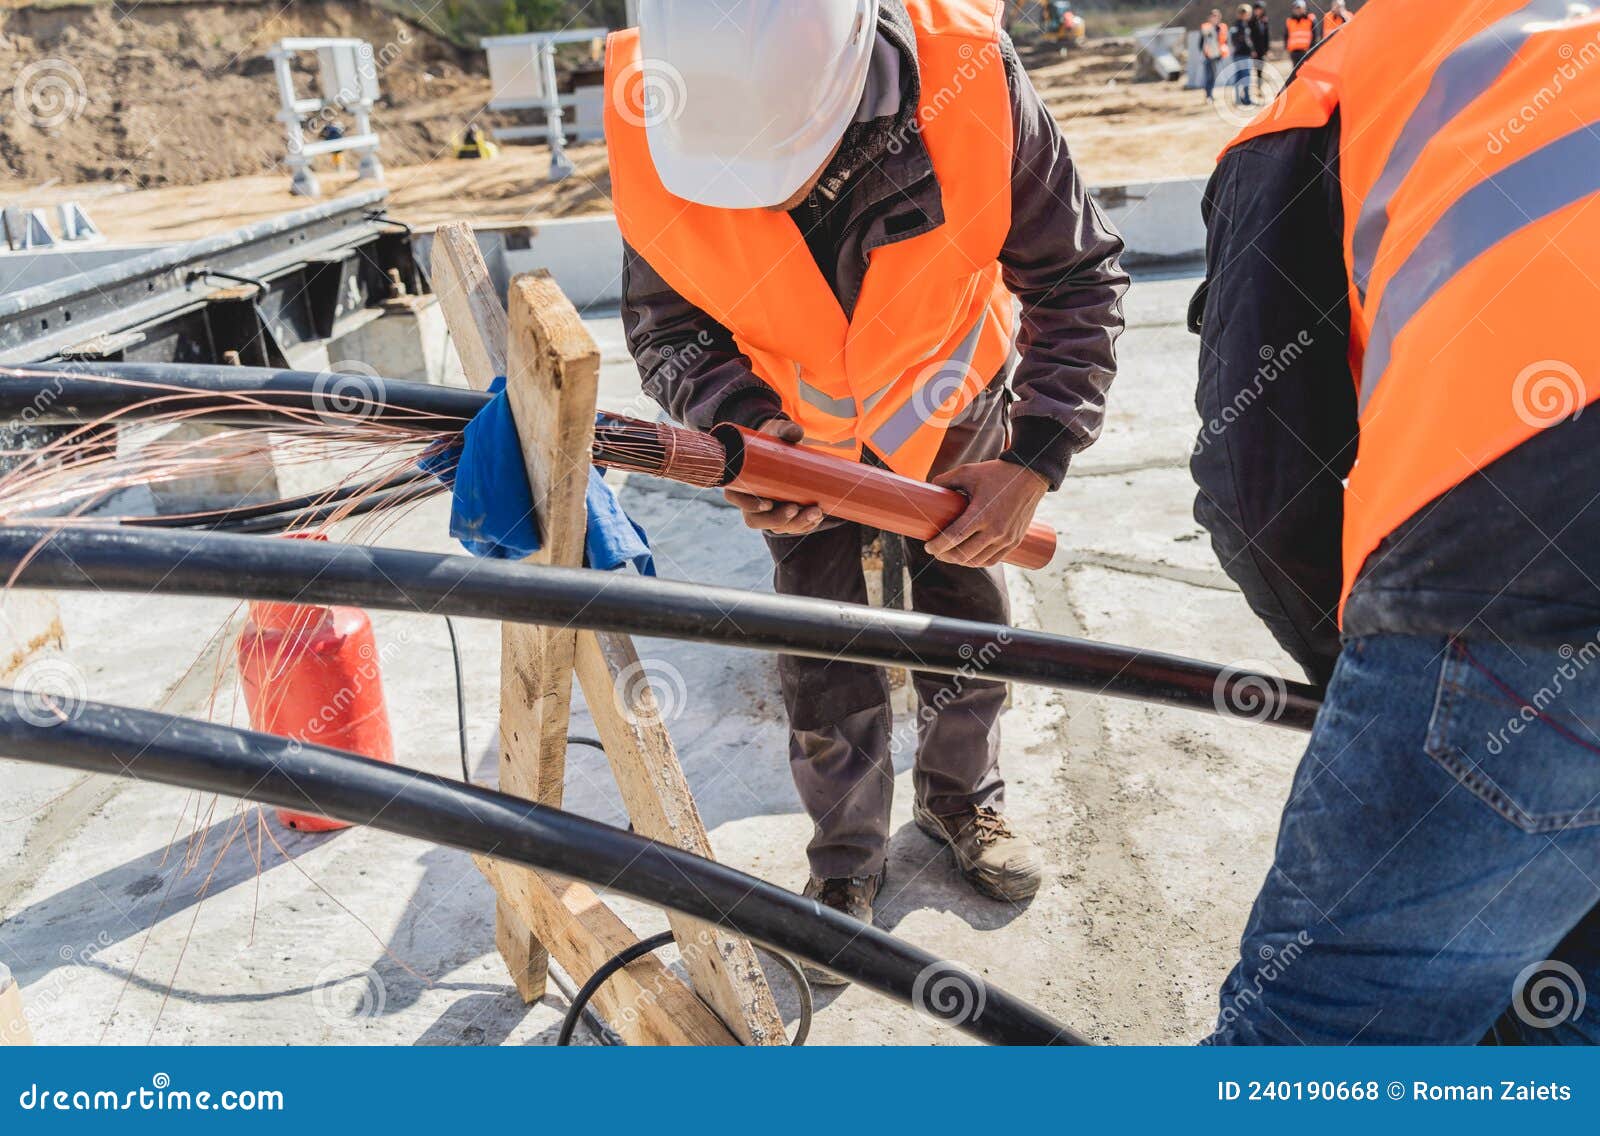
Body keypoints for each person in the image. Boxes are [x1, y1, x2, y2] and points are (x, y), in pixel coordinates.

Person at [609, 0, 1128, 972]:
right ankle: (844, 856)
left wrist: (1034, 453)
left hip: (951, 400)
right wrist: (738, 426)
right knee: (821, 638)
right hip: (792, 439)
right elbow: (671, 326)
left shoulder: (969, 77)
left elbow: (1076, 277)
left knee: (962, 612)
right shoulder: (662, 111)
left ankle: (960, 799)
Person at [1190, 0, 1600, 1044]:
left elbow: (1257, 478)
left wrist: (1373, 675)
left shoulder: (1348, 77)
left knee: (1322, 1040)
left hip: (1522, 589)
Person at [1228, 5, 1256, 106]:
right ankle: (1247, 99)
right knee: (1246, 77)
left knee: (1238, 77)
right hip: (1243, 54)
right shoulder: (1242, 26)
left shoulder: (1235, 25)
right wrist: (1251, 50)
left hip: (1237, 55)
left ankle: (1238, 99)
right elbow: (1245, 41)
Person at [1199, 8, 1229, 101]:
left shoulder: (1221, 28)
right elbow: (1201, 43)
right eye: (1213, 17)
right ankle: (1208, 95)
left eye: (1217, 17)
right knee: (1209, 76)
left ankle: (1210, 94)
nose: (1215, 19)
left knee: (1214, 76)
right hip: (1208, 56)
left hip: (1218, 55)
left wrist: (1222, 52)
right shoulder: (1206, 28)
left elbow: (1224, 42)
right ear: (1210, 18)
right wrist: (1204, 53)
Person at [1248, 3, 1271, 97]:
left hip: (1262, 50)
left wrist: (1267, 49)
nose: (1258, 11)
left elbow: (1266, 36)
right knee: (1253, 71)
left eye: (1260, 9)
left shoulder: (1264, 21)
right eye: (1256, 9)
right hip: (1253, 51)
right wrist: (1252, 49)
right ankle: (1252, 90)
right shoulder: (1250, 21)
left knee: (1260, 71)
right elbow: (1249, 37)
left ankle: (1259, 89)